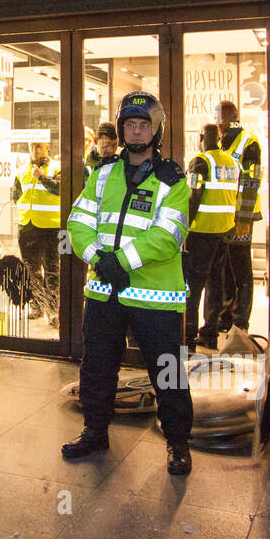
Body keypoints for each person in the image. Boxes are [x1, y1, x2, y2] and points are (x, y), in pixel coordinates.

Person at [64, 92, 193, 474]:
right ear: (121, 130)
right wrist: (98, 259)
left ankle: (177, 443)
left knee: (167, 372)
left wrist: (120, 261)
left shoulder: (174, 180)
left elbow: (169, 233)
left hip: (156, 298)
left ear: (157, 131)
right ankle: (94, 432)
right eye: (130, 125)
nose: (136, 132)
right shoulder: (102, 175)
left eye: (144, 125)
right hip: (105, 292)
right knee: (97, 368)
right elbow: (78, 221)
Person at [183, 123, 238, 349]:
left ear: (203, 137)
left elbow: (194, 194)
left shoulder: (201, 162)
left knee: (193, 284)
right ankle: (210, 332)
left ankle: (188, 332)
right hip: (224, 230)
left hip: (201, 230)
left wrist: (183, 225)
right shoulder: (232, 162)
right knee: (216, 282)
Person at [214, 100, 262, 334]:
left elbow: (252, 181)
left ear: (233, 115)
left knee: (242, 269)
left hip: (242, 217)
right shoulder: (222, 144)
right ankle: (225, 318)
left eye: (221, 116)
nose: (218, 121)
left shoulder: (248, 142)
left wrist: (243, 218)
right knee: (225, 269)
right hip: (225, 217)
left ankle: (240, 321)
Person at [12, 140, 62, 324]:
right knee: (30, 270)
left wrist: (41, 177)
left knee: (51, 270)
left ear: (47, 147)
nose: (35, 150)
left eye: (39, 146)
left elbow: (60, 189)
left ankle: (53, 310)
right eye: (32, 146)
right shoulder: (22, 172)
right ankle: (38, 305)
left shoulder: (56, 168)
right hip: (27, 226)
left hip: (50, 227)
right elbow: (16, 196)